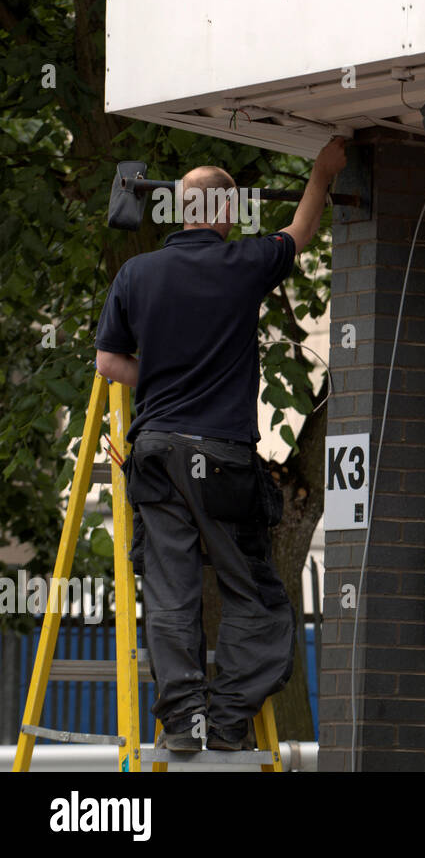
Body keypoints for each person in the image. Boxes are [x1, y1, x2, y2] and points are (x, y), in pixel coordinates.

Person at [94, 136, 348, 752]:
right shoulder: (244, 264)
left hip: (154, 456)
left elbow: (108, 362)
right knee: (257, 598)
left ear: (182, 211)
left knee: (171, 593)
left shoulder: (136, 273)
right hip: (221, 462)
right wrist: (323, 170)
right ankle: (229, 721)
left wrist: (157, 373)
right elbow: (301, 230)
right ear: (226, 213)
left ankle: (182, 724)